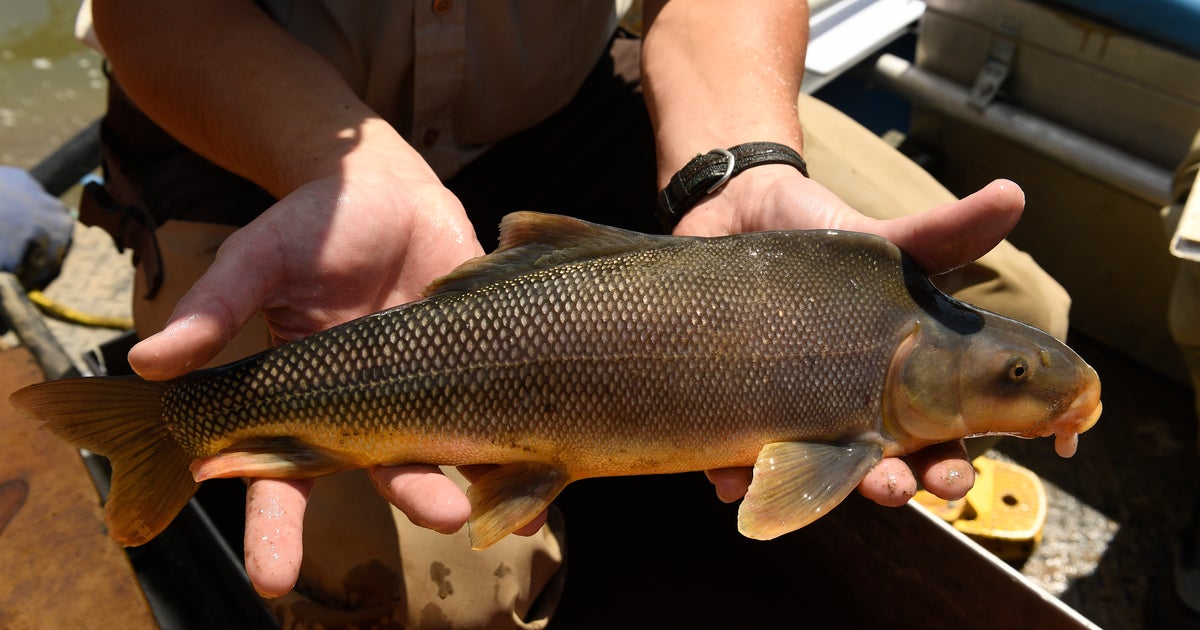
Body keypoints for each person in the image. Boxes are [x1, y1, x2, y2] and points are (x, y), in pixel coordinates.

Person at [82, 0, 1070, 626]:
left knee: (1012, 302)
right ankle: (185, 421)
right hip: (256, 134)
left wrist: (738, 165)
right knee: (451, 602)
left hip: (559, 103)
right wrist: (339, 159)